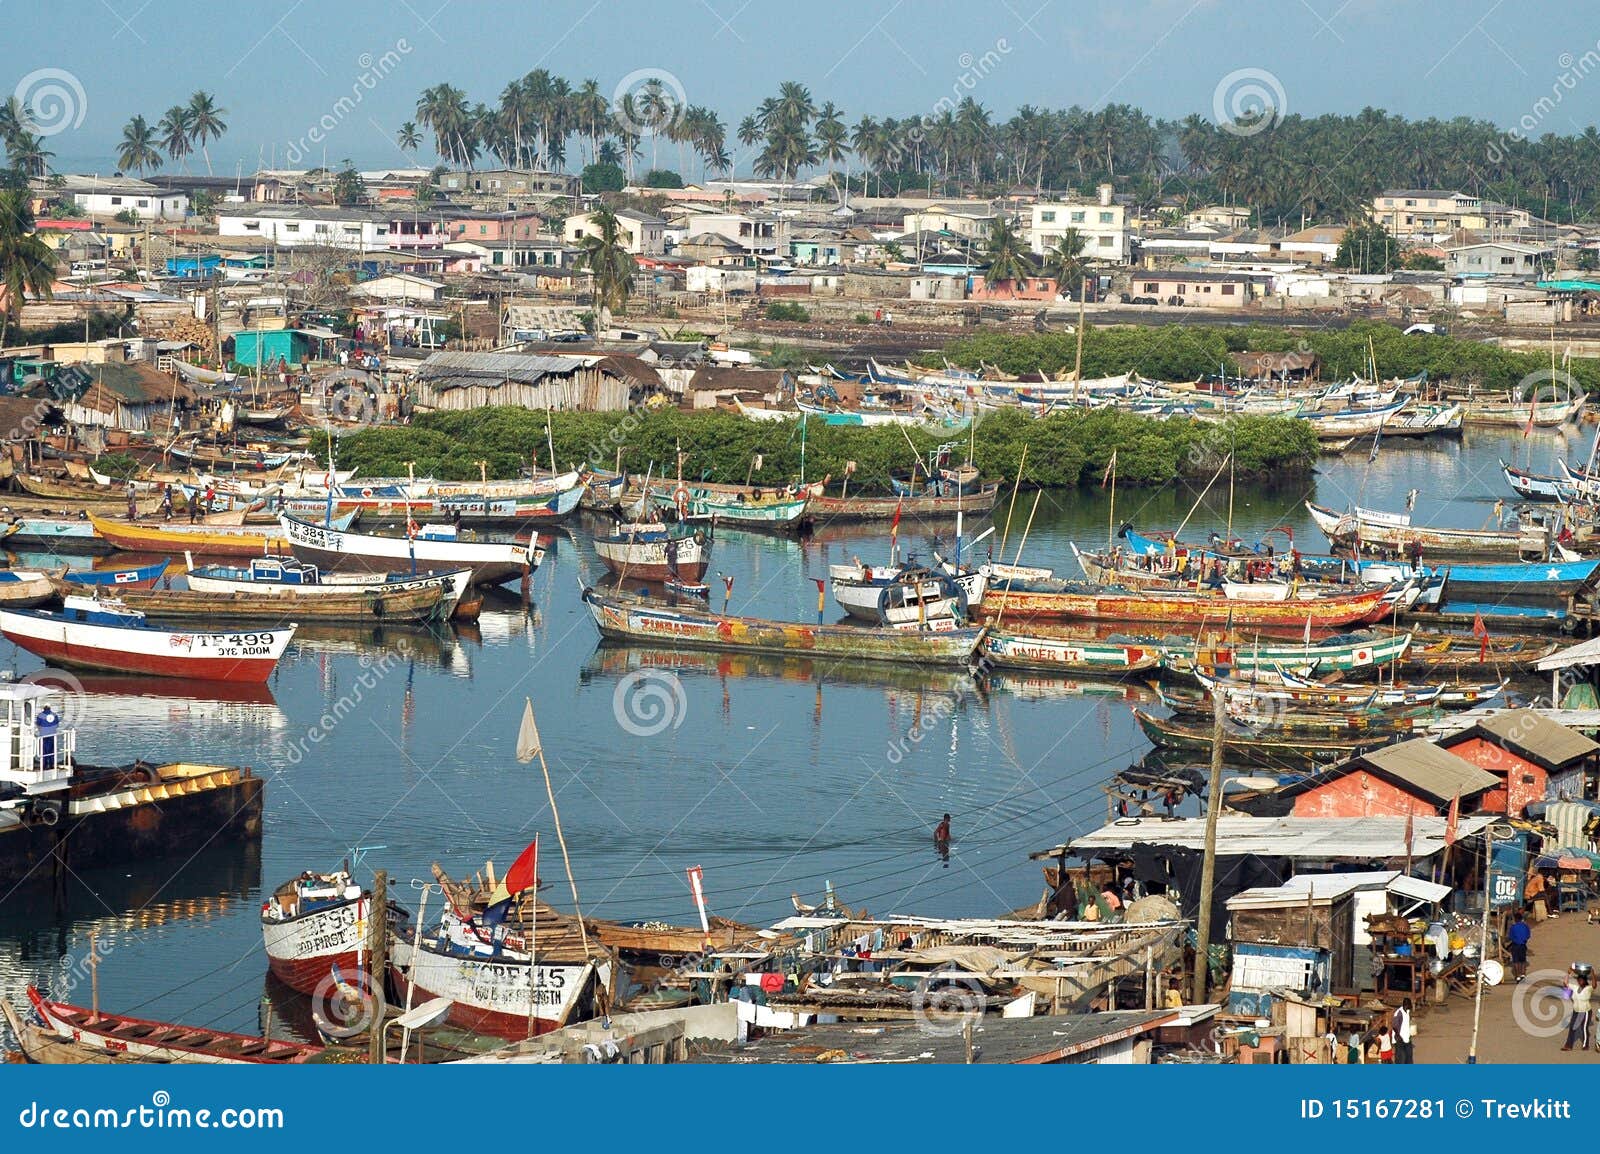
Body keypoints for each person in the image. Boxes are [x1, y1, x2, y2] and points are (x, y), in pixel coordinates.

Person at [1563, 970, 1591, 1051]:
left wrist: (1592, 973)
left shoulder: (1588, 989)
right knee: (1572, 1027)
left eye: (1581, 980)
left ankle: (1586, 1045)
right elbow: (1565, 983)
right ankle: (1568, 1045)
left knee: (1584, 1028)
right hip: (1576, 1011)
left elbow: (1594, 984)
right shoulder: (1575, 987)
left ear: (1585, 981)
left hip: (1585, 1012)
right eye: (1578, 980)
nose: (1579, 981)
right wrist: (1568, 973)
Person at [1507, 909, 1532, 981]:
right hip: (1523, 945)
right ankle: (1523, 974)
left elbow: (1510, 937)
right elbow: (1528, 935)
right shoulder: (1525, 926)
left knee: (1516, 961)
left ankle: (1518, 975)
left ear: (1515, 919)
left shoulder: (1513, 927)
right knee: (1523, 960)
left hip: (1515, 945)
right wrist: (1524, 940)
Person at [1392, 998, 1414, 1064]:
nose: (1411, 1006)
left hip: (1407, 1039)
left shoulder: (1407, 1012)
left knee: (1409, 1058)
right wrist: (1399, 1036)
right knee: (1401, 1059)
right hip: (1400, 1040)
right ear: (1407, 1004)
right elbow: (1394, 1027)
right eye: (1410, 1004)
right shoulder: (1398, 1013)